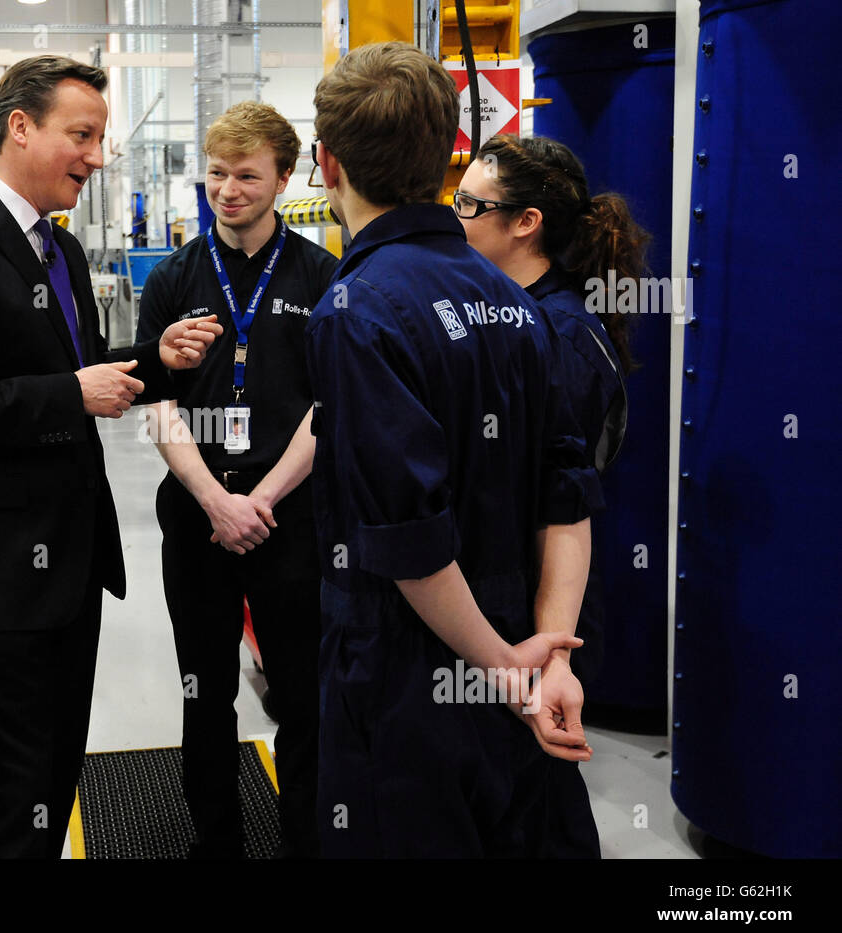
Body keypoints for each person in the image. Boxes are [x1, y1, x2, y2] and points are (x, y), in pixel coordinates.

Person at [0, 55, 223, 859]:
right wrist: (74, 392)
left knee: (54, 783)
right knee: (12, 804)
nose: (97, 157)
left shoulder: (61, 252)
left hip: (72, 572)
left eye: (100, 138)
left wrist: (156, 359)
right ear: (19, 127)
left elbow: (75, 367)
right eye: (82, 135)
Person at [305, 42, 605, 857]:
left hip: (407, 680)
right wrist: (549, 657)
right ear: (449, 159)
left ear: (326, 161)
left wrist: (502, 668)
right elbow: (566, 493)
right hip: (521, 649)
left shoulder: (354, 310)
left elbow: (412, 541)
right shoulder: (516, 302)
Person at [136, 102, 338, 858]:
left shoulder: (323, 276)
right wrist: (216, 500)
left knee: (301, 695)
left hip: (291, 519)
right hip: (198, 517)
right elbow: (156, 403)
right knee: (205, 691)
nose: (228, 190)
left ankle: (305, 841)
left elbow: (330, 403)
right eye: (217, 173)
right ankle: (215, 840)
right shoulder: (175, 277)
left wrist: (261, 499)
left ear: (285, 178)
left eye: (247, 175)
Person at [454, 134, 649, 686]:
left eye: (471, 205)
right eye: (456, 201)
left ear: (525, 222)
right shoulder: (501, 310)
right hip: (497, 590)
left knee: (535, 767)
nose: (457, 218)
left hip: (536, 606)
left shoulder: (561, 333)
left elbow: (555, 500)